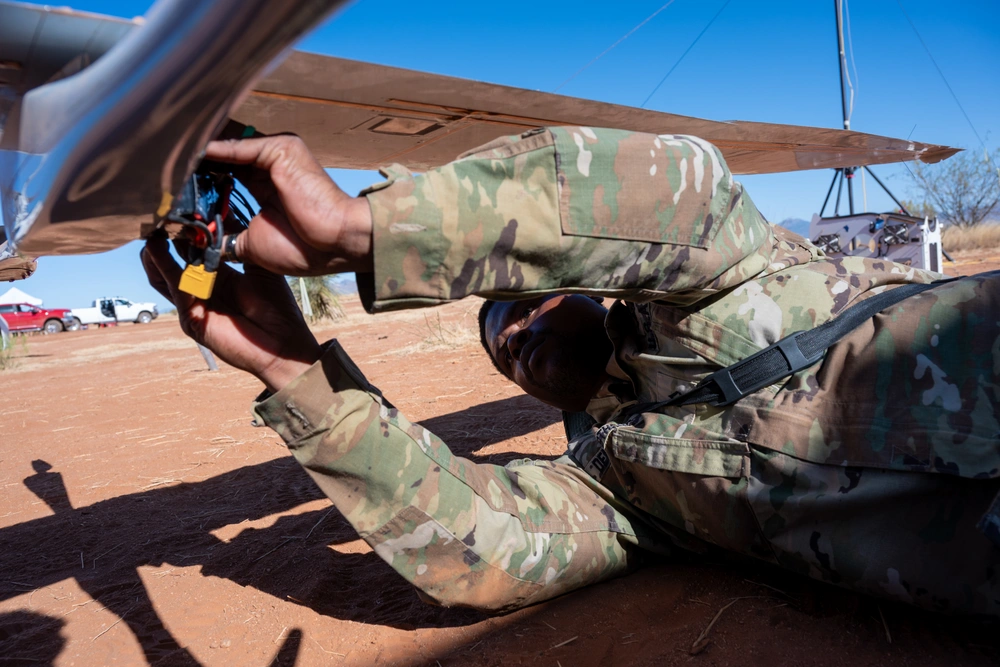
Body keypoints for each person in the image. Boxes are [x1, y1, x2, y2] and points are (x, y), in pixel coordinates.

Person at [142, 127, 1000, 617]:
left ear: (591, 291)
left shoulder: (722, 278)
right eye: (498, 348)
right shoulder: (619, 486)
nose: (512, 337)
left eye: (521, 308)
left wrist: (369, 232)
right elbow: (491, 546)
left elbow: (686, 192)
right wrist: (297, 371)